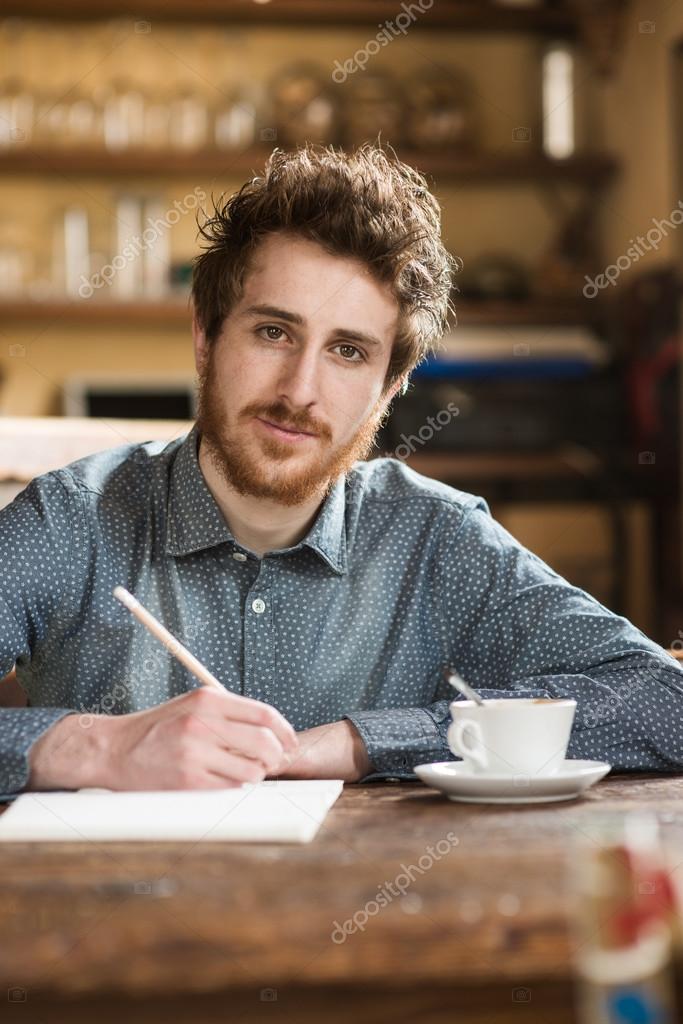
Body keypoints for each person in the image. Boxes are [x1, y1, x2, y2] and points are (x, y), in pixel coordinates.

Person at [2, 142, 682, 796]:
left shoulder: (435, 541)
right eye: (273, 332)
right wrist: (100, 747)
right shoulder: (67, 521)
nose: (300, 390)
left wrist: (363, 743)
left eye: (348, 352)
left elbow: (664, 701)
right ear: (206, 338)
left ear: (388, 390)